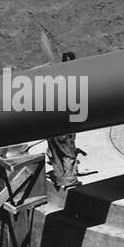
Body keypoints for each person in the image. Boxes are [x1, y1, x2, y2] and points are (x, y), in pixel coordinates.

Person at [47, 51, 80, 191]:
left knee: (55, 154)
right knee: (69, 153)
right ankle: (70, 180)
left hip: (50, 126)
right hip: (64, 126)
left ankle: (59, 178)